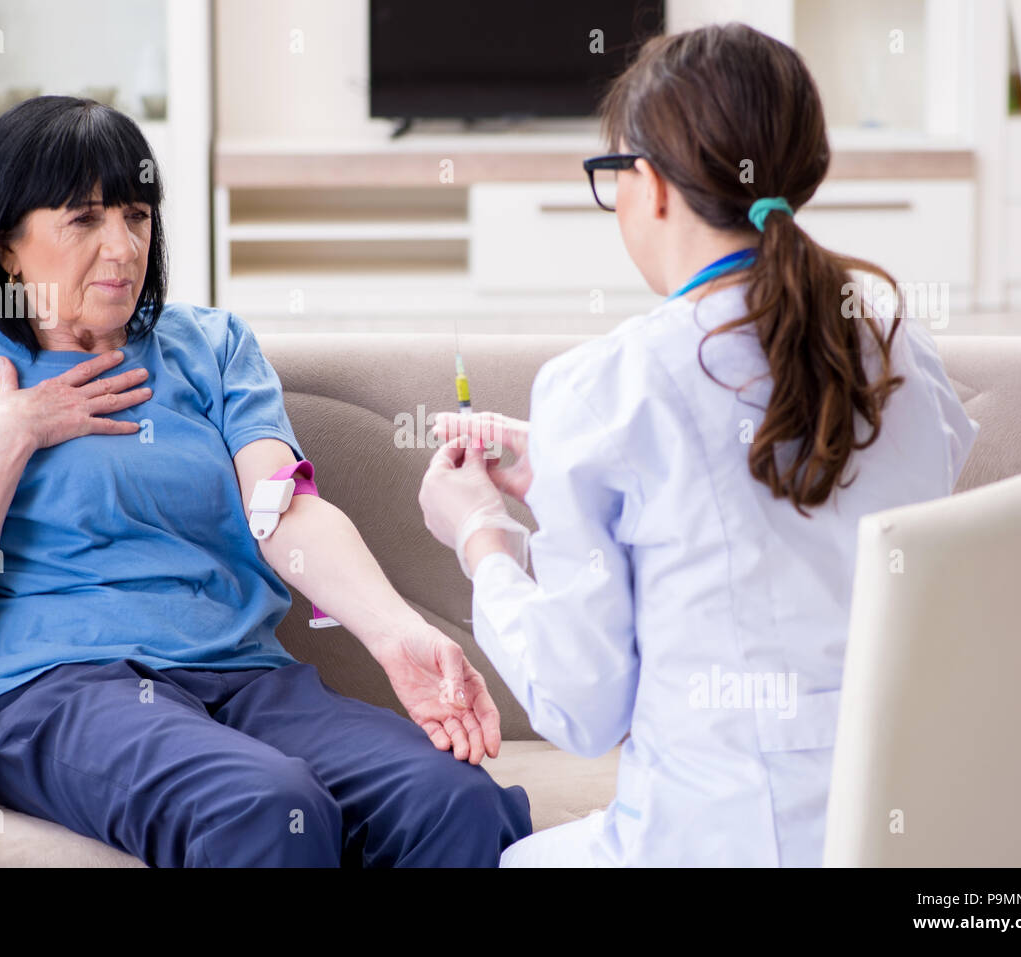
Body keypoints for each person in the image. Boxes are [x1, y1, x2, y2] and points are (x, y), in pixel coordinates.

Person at [0, 96, 531, 867]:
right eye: (84, 220)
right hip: (58, 693)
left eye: (137, 215)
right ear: (7, 245)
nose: (122, 246)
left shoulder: (210, 347)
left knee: (455, 802)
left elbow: (283, 512)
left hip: (241, 676)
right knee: (262, 805)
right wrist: (10, 439)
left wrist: (396, 633)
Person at [417, 23, 979, 866]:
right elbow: (819, 521)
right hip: (909, 837)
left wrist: (482, 540)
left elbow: (583, 709)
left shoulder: (607, 385)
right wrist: (566, 469)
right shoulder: (897, 337)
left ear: (649, 186)